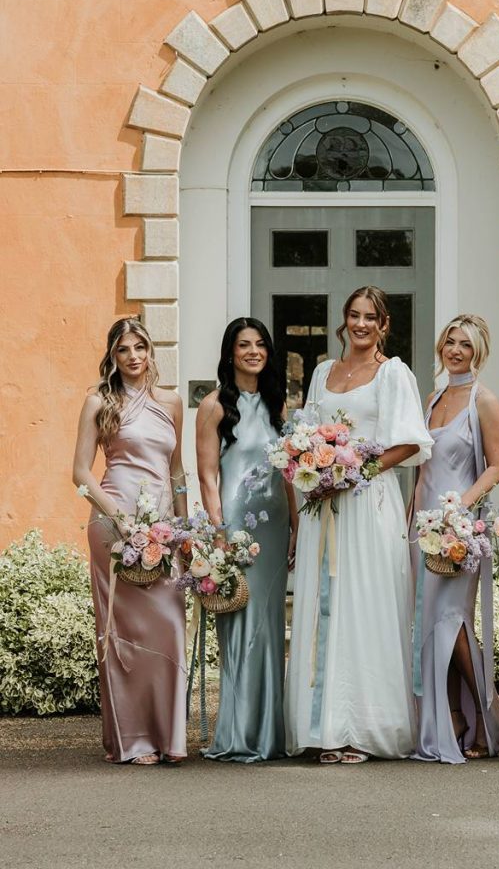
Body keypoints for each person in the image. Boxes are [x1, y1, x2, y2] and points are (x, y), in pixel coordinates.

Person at [285, 286, 433, 764]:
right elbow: (306, 430)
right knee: (324, 605)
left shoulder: (393, 374)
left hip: (368, 503)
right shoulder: (325, 371)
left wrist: (353, 471)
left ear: (384, 324)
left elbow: (410, 443)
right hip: (324, 506)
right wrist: (313, 464)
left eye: (371, 317)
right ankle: (324, 727)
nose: (362, 324)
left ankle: (364, 729)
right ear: (344, 320)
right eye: (354, 315)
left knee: (363, 606)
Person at [73, 317, 188, 765]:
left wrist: (185, 529)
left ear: (151, 351)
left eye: (141, 347)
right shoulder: (98, 401)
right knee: (125, 633)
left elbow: (177, 472)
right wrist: (119, 518)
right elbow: (80, 472)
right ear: (113, 356)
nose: (134, 356)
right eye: (125, 350)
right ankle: (136, 739)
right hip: (113, 522)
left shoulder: (172, 402)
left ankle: (169, 737)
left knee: (170, 625)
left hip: (163, 524)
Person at [196, 317, 298, 762]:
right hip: (236, 525)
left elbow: (290, 473)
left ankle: (268, 735)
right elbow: (206, 473)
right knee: (239, 623)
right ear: (230, 352)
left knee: (270, 625)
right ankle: (238, 732)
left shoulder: (279, 406)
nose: (253, 351)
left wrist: (295, 524)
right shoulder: (215, 405)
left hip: (274, 526)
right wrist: (218, 534)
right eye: (244, 345)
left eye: (260, 344)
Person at [410, 315, 499, 762]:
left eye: (464, 344)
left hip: (459, 527)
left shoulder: (483, 401)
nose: (455, 350)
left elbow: (495, 467)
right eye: (449, 341)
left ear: (478, 352)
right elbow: (421, 466)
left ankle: (489, 723)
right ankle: (452, 718)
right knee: (432, 624)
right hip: (423, 529)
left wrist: (459, 510)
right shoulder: (432, 399)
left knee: (453, 621)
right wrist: (412, 519)